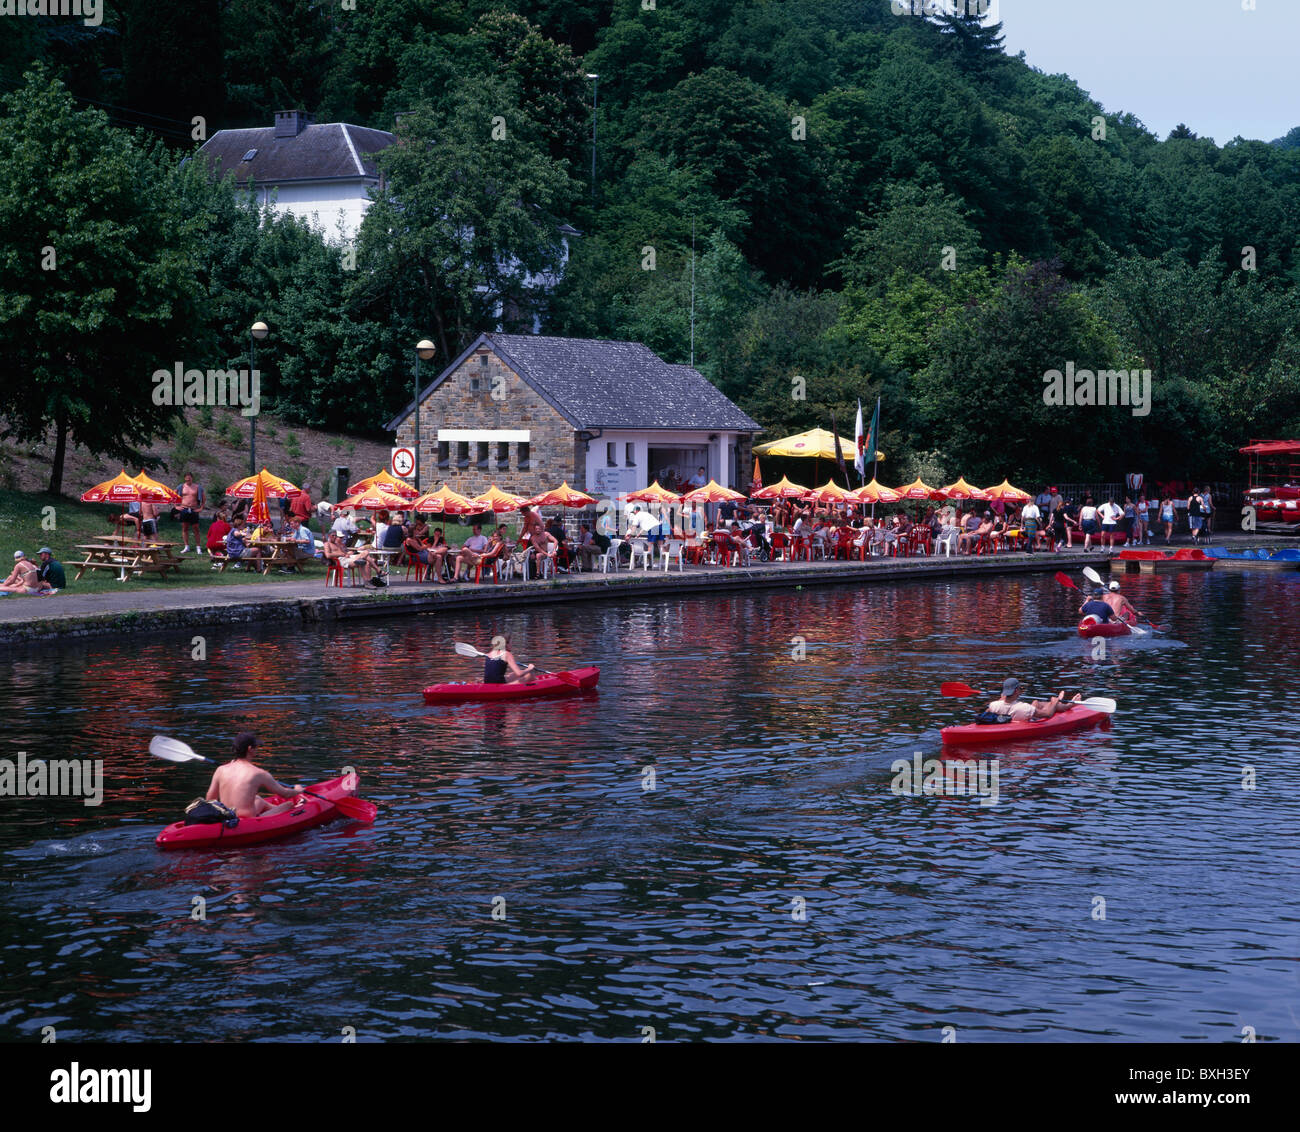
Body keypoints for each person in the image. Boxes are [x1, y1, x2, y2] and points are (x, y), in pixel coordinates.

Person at [205, 732, 305, 819]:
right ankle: (298, 807)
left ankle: (273, 809)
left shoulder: (221, 769)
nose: (257, 749)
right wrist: (298, 790)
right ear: (250, 749)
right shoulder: (259, 773)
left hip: (228, 816)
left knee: (258, 799)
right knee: (289, 804)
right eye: (256, 747)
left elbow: (210, 799)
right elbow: (285, 794)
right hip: (248, 821)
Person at [987, 677, 1083, 722]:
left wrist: (1003, 697)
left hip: (1014, 716)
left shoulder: (993, 705)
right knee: (1050, 706)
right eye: (1020, 688)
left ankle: (1063, 704)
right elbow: (1048, 715)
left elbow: (988, 712)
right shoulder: (1025, 708)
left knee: (1036, 702)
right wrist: (1054, 702)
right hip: (1028, 718)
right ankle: (1067, 705)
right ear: (1016, 690)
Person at [177, 473, 205, 554]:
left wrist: (201, 507)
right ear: (184, 479)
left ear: (192, 478)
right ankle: (186, 546)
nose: (188, 480)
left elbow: (203, 498)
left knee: (196, 528)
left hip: (194, 509)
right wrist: (175, 506)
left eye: (189, 479)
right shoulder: (181, 486)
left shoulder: (197, 487)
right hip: (184, 508)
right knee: (185, 528)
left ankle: (198, 547)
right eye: (186, 479)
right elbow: (174, 495)